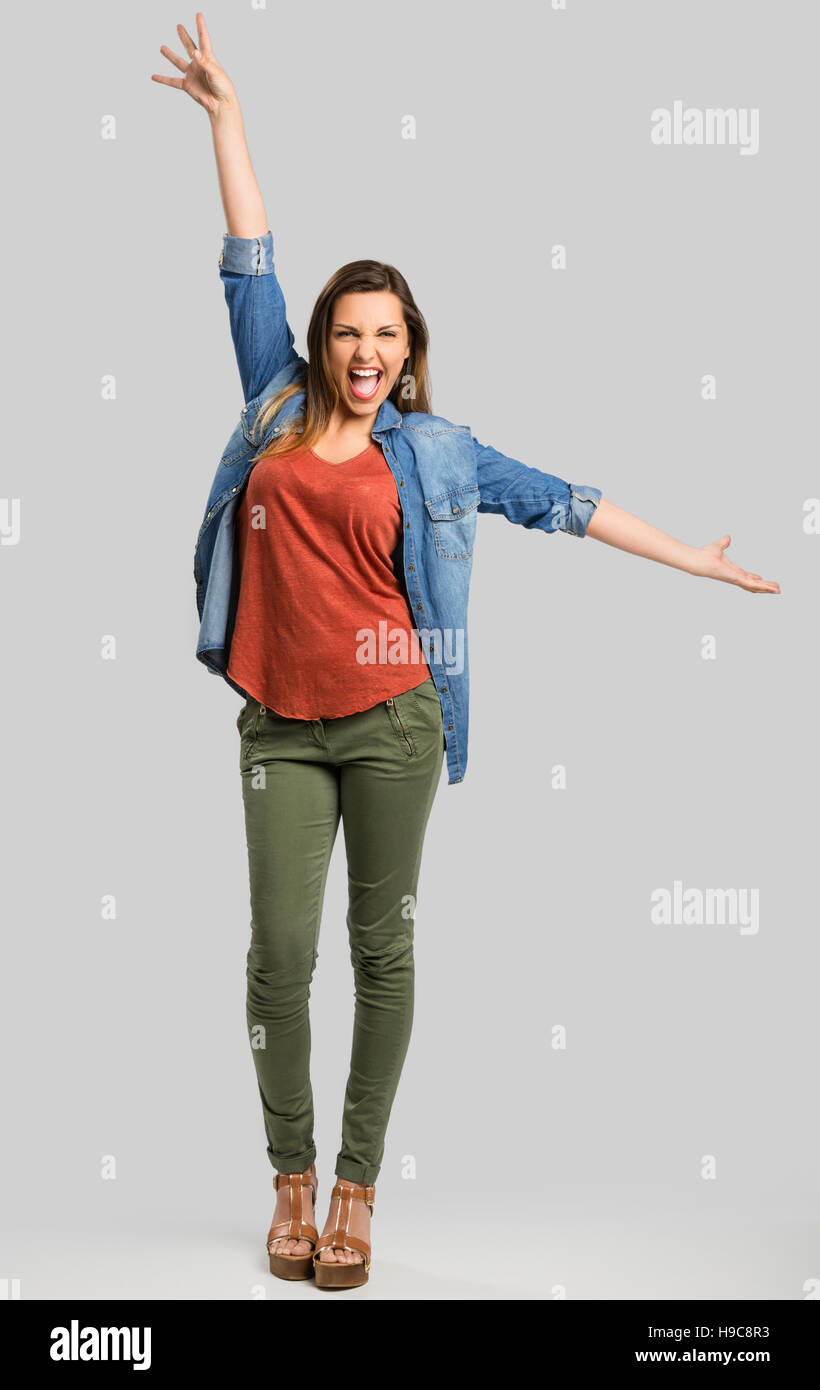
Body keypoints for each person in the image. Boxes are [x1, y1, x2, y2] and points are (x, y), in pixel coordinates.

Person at [151, 12, 780, 1291]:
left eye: (389, 335)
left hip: (396, 722)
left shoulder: (439, 450)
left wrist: (697, 561)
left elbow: (568, 501)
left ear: (409, 348)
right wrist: (227, 117)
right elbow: (248, 260)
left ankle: (357, 1193)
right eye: (350, 332)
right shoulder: (272, 400)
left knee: (385, 955)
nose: (368, 352)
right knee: (280, 956)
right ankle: (286, 1176)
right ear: (321, 341)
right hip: (279, 719)